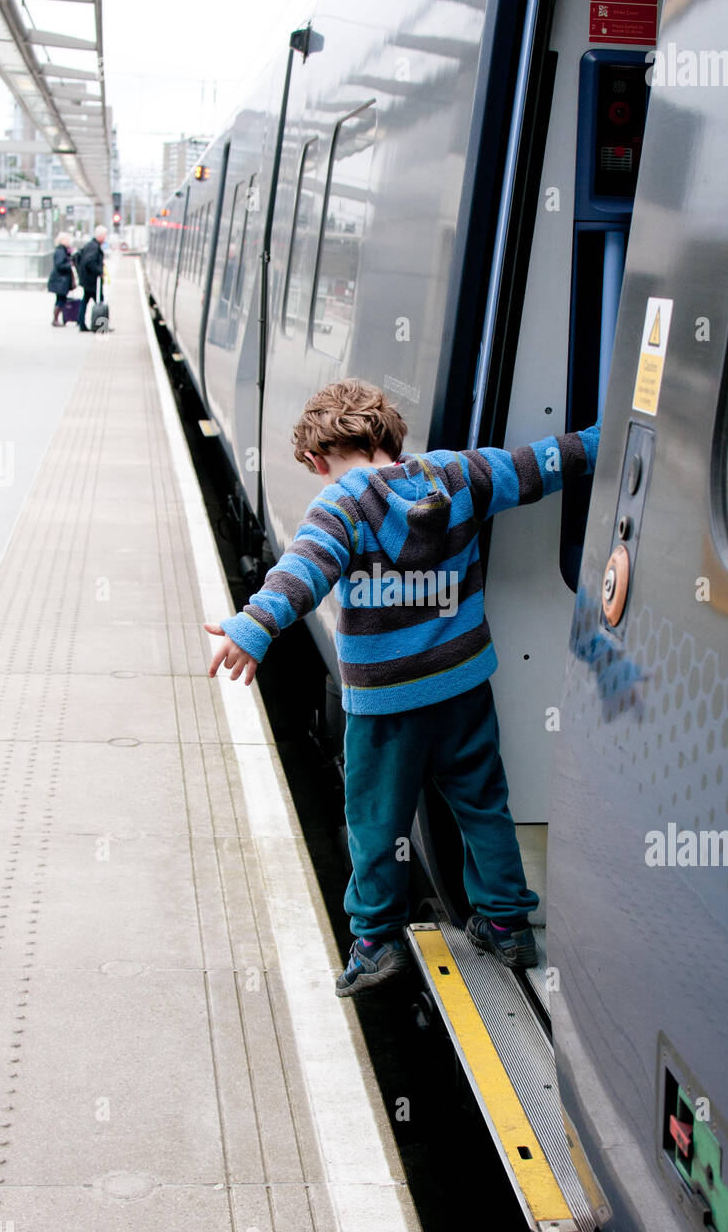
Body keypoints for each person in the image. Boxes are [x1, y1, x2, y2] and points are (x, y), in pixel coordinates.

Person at [205, 379, 601, 997]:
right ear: (394, 437)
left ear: (316, 461)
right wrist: (610, 440)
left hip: (386, 707)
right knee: (482, 805)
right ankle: (507, 923)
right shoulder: (458, 474)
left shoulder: (341, 504)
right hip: (463, 690)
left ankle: (376, 943)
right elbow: (542, 464)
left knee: (375, 823)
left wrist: (254, 626)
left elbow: (303, 567)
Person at [75, 225, 107, 331]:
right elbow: (89, 262)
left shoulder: (91, 245)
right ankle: (101, 326)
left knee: (86, 300)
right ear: (100, 236)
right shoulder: (94, 247)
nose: (106, 237)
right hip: (91, 280)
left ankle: (82, 323)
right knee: (100, 300)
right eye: (105, 235)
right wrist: (100, 271)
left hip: (88, 279)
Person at [47, 232, 74, 326]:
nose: (69, 242)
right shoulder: (60, 251)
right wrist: (70, 264)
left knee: (61, 299)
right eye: (67, 240)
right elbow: (59, 265)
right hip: (60, 280)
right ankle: (55, 319)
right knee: (60, 300)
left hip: (61, 280)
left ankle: (57, 319)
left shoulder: (63, 250)